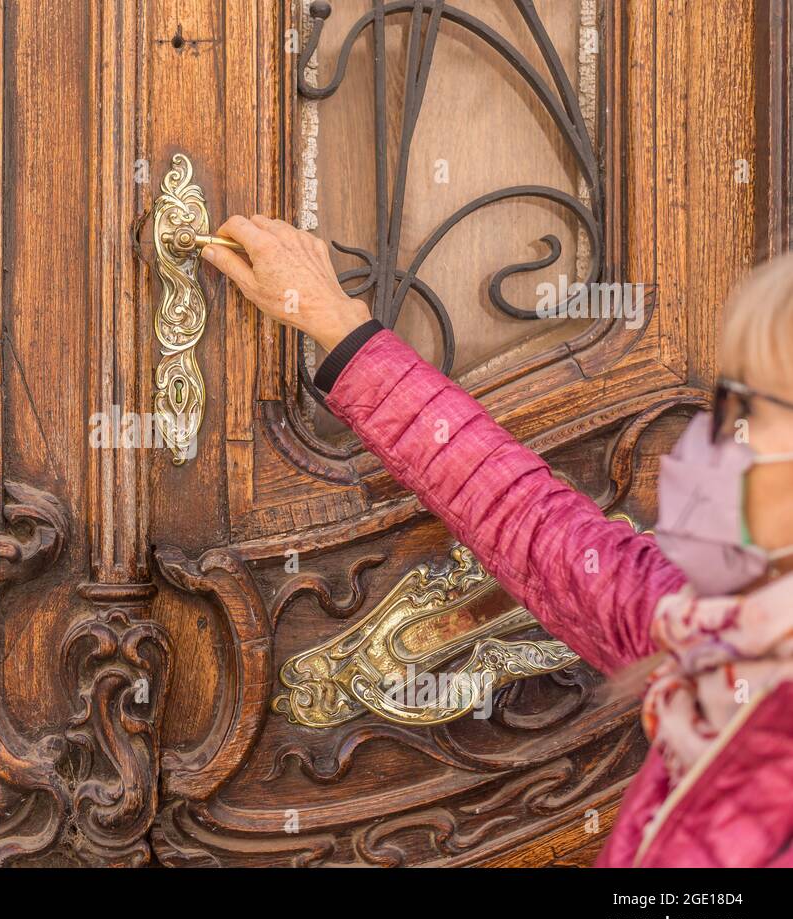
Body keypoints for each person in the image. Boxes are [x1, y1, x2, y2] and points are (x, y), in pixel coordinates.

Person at [201, 214, 793, 867]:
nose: (718, 435)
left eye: (753, 410)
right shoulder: (715, 629)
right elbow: (529, 522)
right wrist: (339, 327)